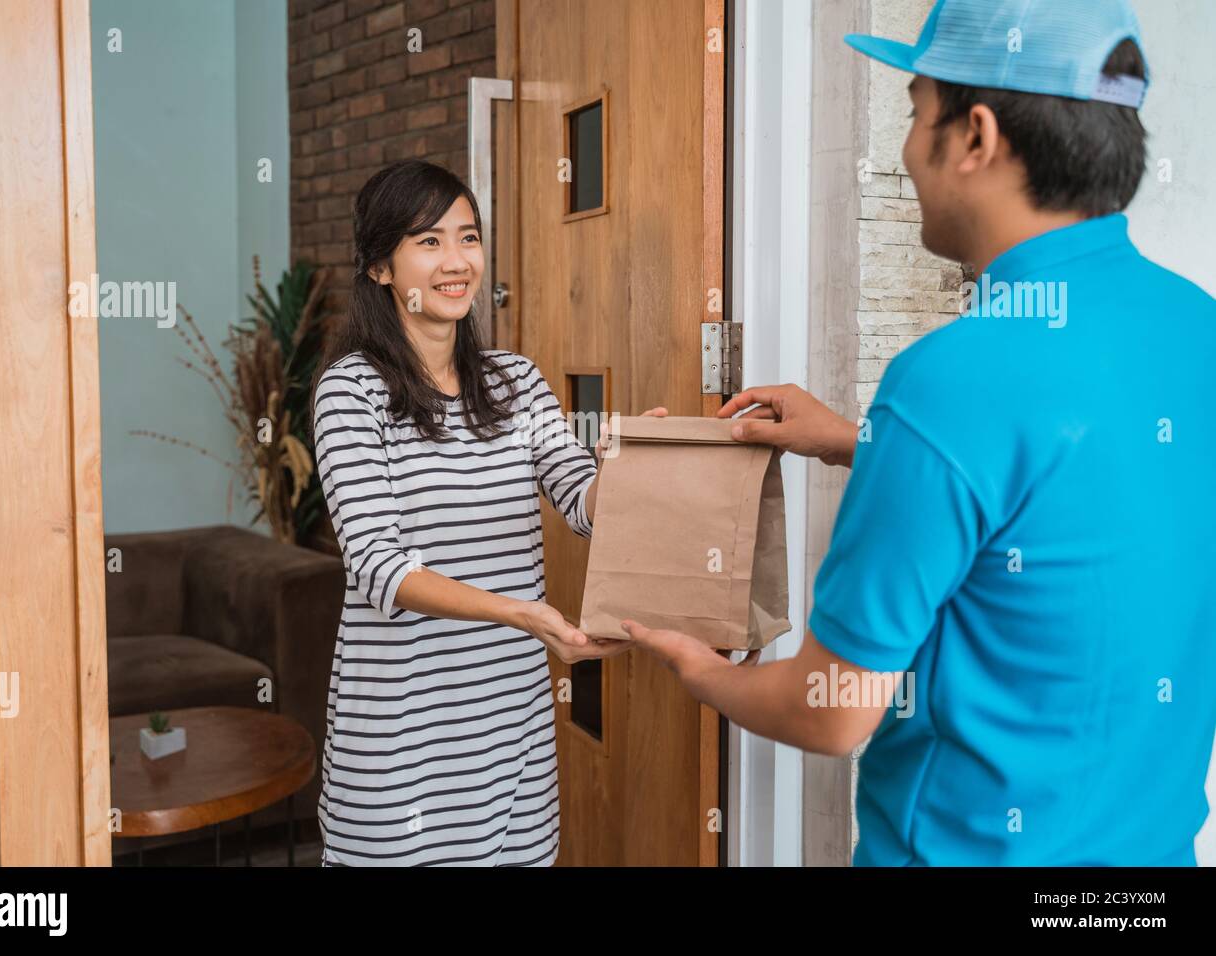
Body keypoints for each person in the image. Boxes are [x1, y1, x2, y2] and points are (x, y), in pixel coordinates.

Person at [625, 0, 1216, 865]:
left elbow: (831, 710)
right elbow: (1073, 512)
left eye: (914, 110)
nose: (905, 151)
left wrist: (699, 667)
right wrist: (858, 443)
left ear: (975, 135)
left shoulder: (952, 380)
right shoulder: (1194, 326)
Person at [310, 159, 655, 866]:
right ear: (381, 267)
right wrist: (522, 613)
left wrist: (637, 467)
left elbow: (581, 501)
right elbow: (379, 568)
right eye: (428, 242)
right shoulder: (351, 392)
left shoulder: (515, 382)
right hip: (401, 733)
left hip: (508, 724)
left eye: (467, 237)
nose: (457, 260)